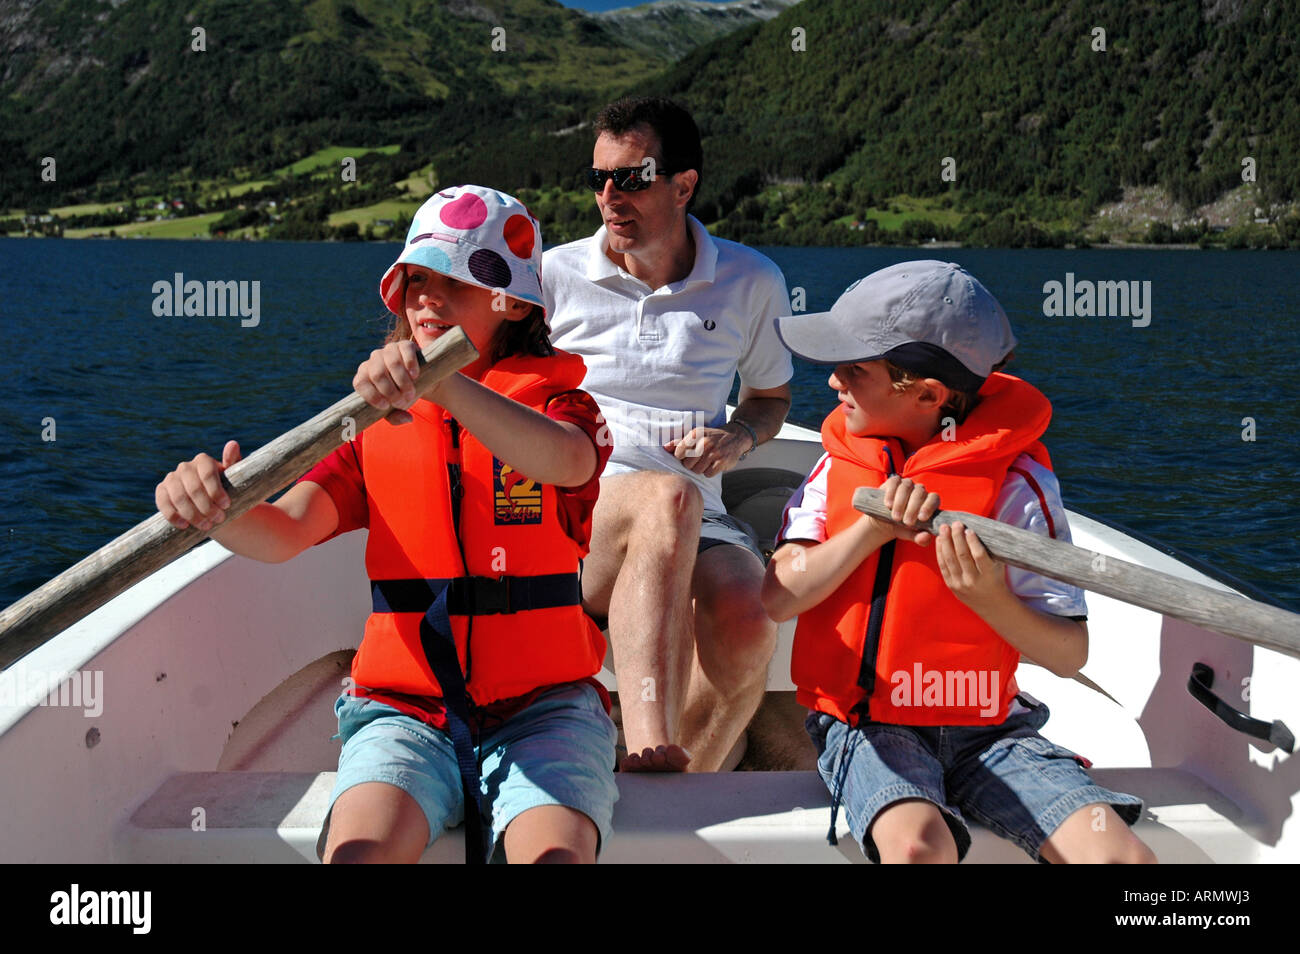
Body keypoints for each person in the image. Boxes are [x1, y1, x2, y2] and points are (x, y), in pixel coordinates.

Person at [154, 185, 618, 864]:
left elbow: (570, 462)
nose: (428, 299)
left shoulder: (563, 409)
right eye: (416, 281)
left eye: (457, 283)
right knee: (357, 857)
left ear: (513, 302)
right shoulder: (370, 428)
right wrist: (216, 510)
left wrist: (443, 384)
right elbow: (284, 532)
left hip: (544, 712)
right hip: (404, 713)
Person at [761, 260, 1155, 864]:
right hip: (866, 725)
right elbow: (780, 596)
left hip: (992, 732)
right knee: (919, 848)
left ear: (927, 394)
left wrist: (988, 598)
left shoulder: (1017, 486)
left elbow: (1068, 654)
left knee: (1117, 856)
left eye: (854, 369)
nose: (833, 382)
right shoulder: (838, 467)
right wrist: (873, 531)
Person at [543, 97, 793, 772]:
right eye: (597, 178)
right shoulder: (552, 277)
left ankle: (689, 784)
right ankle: (650, 750)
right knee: (665, 499)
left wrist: (739, 437)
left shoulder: (750, 280)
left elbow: (770, 398)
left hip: (699, 512)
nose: (607, 196)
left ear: (683, 185)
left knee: (747, 617)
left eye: (629, 177)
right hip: (580, 513)